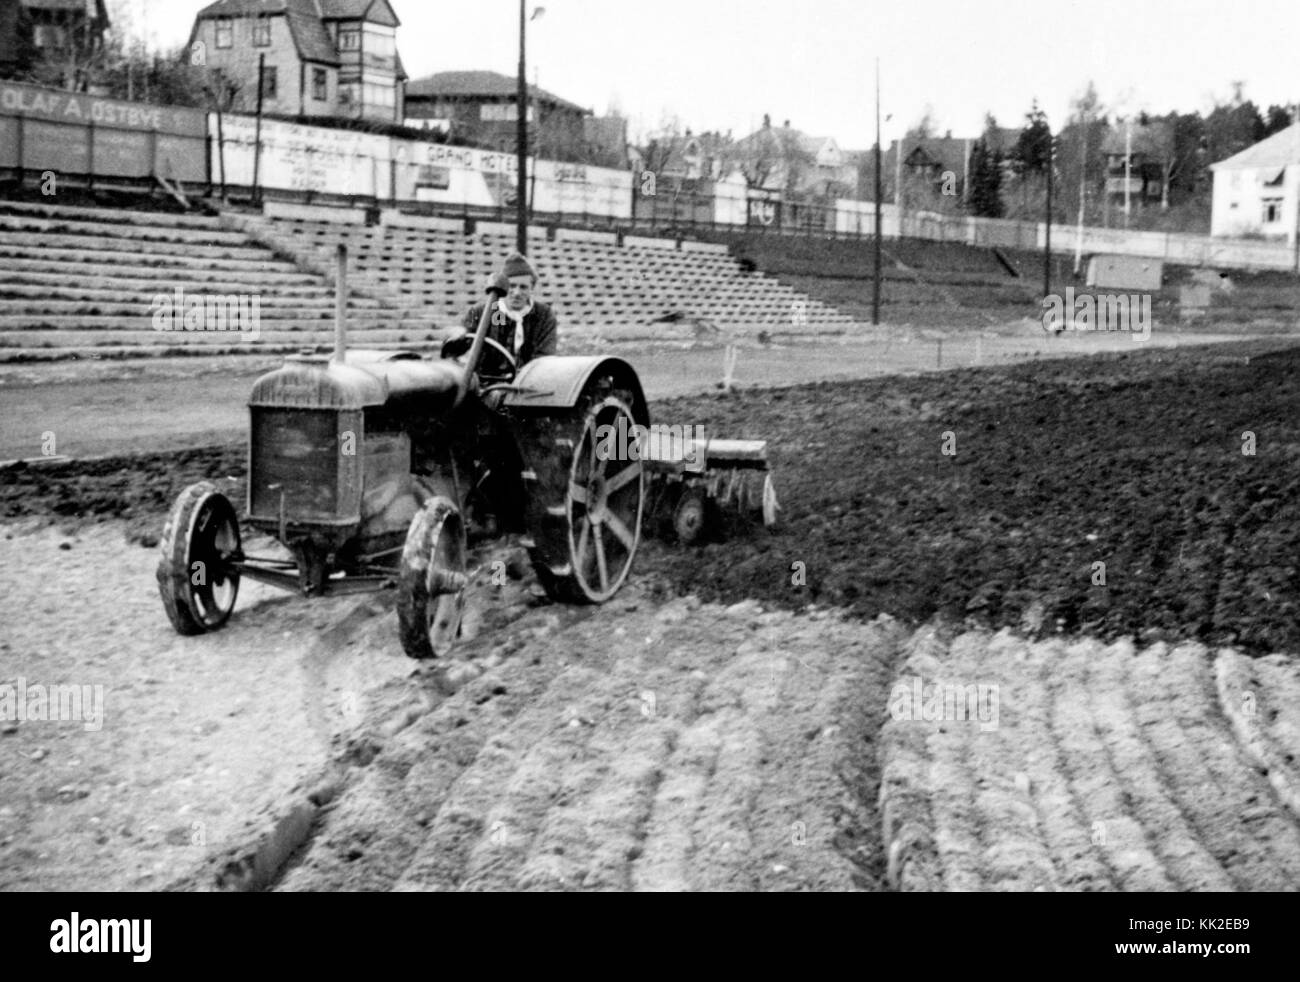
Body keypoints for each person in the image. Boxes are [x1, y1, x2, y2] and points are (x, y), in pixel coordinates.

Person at [443, 251, 557, 380]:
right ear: (503, 288)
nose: (517, 293)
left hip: (527, 382)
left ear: (532, 289)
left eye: (523, 287)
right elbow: (456, 347)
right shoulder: (481, 311)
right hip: (485, 382)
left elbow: (544, 357)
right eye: (512, 286)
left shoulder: (543, 315)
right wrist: (457, 335)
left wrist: (523, 378)